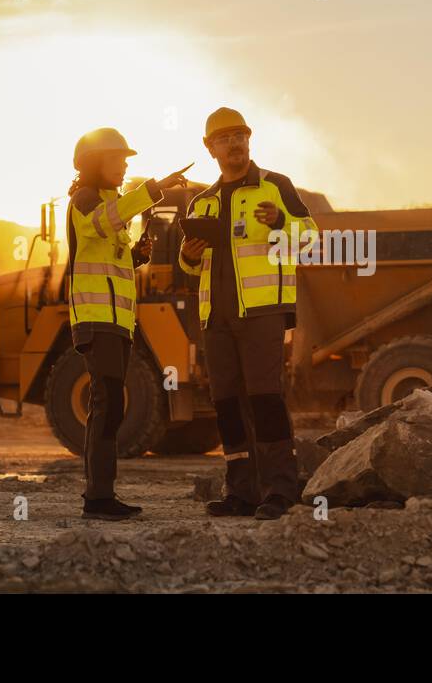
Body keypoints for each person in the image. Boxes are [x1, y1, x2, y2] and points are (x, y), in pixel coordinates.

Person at [178, 108, 319, 520]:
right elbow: (190, 266)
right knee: (226, 403)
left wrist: (279, 224)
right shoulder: (201, 203)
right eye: (225, 138)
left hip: (262, 312)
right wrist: (187, 256)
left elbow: (309, 235)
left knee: (265, 400)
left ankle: (280, 490)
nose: (235, 142)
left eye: (240, 134)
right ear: (211, 149)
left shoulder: (275, 187)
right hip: (216, 318)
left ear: (249, 140)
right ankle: (241, 490)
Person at [67, 127, 190, 520]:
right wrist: (154, 190)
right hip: (95, 318)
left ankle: (102, 495)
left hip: (117, 321)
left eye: (126, 160)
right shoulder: (85, 201)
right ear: (93, 163)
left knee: (112, 406)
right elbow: (102, 222)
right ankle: (97, 499)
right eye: (117, 159)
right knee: (106, 406)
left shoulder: (111, 206)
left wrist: (136, 256)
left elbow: (109, 255)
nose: (124, 166)